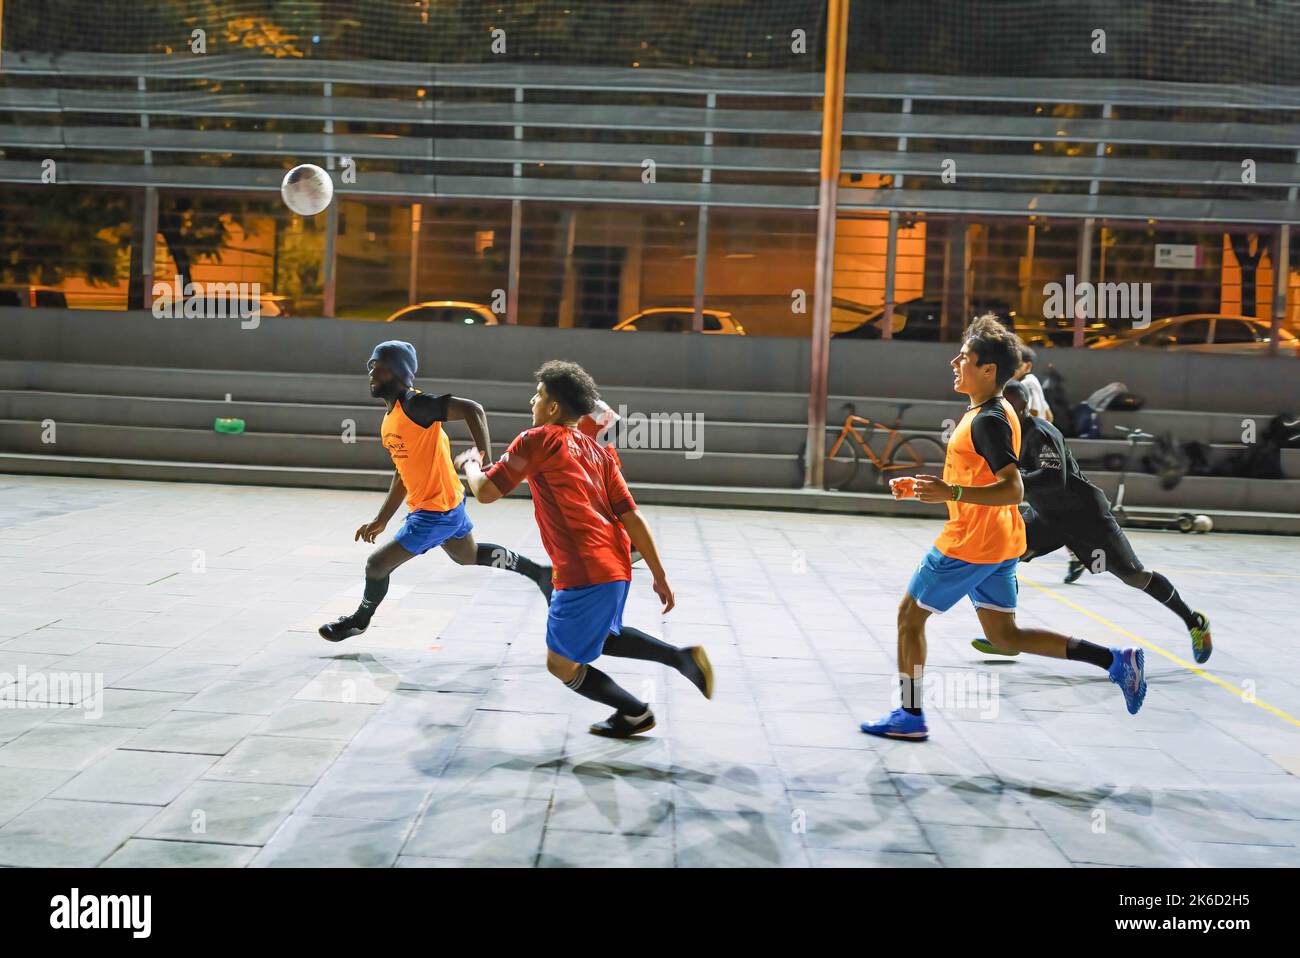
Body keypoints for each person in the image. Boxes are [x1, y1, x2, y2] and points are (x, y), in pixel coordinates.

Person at [860, 316, 1147, 742]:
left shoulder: (989, 419)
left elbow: (1012, 489)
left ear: (988, 369)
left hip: (971, 543)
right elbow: (978, 476)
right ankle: (1116, 660)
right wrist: (928, 487)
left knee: (908, 619)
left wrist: (950, 492)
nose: (955, 362)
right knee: (1004, 635)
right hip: (998, 540)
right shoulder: (989, 411)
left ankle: (910, 714)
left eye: (965, 357)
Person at [457, 360, 712, 738]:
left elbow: (486, 492)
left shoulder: (536, 440)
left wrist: (471, 465)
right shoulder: (599, 452)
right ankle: (681, 659)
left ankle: (636, 711)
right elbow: (633, 517)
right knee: (601, 636)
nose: (532, 401)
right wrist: (658, 575)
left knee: (561, 664)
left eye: (539, 395)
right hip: (616, 567)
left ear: (554, 407)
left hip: (584, 570)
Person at [318, 341, 552, 642]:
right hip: (443, 503)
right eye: (372, 366)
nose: (373, 373)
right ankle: (539, 572)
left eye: (382, 367)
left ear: (400, 372)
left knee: (377, 565)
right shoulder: (392, 417)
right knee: (467, 555)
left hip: (436, 512)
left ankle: (359, 621)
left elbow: (473, 410)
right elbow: (403, 472)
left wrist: (486, 459)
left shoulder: (416, 405)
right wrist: (382, 519)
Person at [971, 379, 1211, 663]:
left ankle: (1194, 621)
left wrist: (1012, 482)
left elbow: (1052, 478)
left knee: (1133, 575)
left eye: (1006, 405)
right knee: (1002, 555)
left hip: (1086, 516)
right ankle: (1005, 636)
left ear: (1021, 407)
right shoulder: (1006, 436)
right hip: (1048, 517)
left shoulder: (1039, 434)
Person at [1014, 345, 1052, 422]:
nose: (1012, 370)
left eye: (1016, 366)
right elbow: (1049, 416)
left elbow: (1034, 411)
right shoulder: (1033, 380)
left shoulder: (1026, 384)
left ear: (1028, 366)